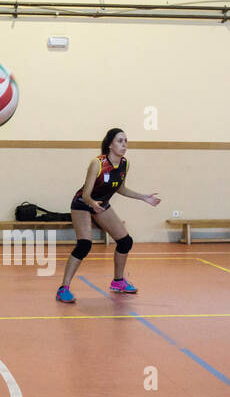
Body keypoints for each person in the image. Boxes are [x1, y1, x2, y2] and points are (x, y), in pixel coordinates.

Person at [55, 128, 161, 304]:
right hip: (82, 203)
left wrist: (144, 197)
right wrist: (92, 204)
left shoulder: (125, 164)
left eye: (126, 141)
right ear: (110, 144)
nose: (124, 145)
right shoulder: (97, 163)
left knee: (125, 241)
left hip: (102, 205)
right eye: (120, 141)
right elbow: (86, 194)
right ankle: (63, 288)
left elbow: (120, 187)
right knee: (84, 244)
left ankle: (118, 282)